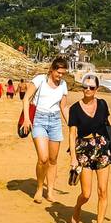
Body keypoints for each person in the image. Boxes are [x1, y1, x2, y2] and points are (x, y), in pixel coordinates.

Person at [67, 73, 111, 223]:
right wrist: (73, 157)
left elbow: (108, 126)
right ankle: (77, 208)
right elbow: (72, 135)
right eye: (85, 87)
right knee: (86, 194)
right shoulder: (74, 109)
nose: (87, 90)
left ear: (97, 89)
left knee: (103, 191)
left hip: (102, 148)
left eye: (91, 87)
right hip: (84, 151)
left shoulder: (102, 104)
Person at [21, 57, 71, 204]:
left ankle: (50, 192)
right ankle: (39, 188)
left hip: (55, 121)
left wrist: (71, 124)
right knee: (43, 158)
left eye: (63, 73)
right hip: (38, 120)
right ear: (52, 69)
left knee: (53, 160)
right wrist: (26, 119)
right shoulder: (39, 80)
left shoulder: (63, 85)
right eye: (59, 72)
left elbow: (63, 107)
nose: (60, 76)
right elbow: (26, 99)